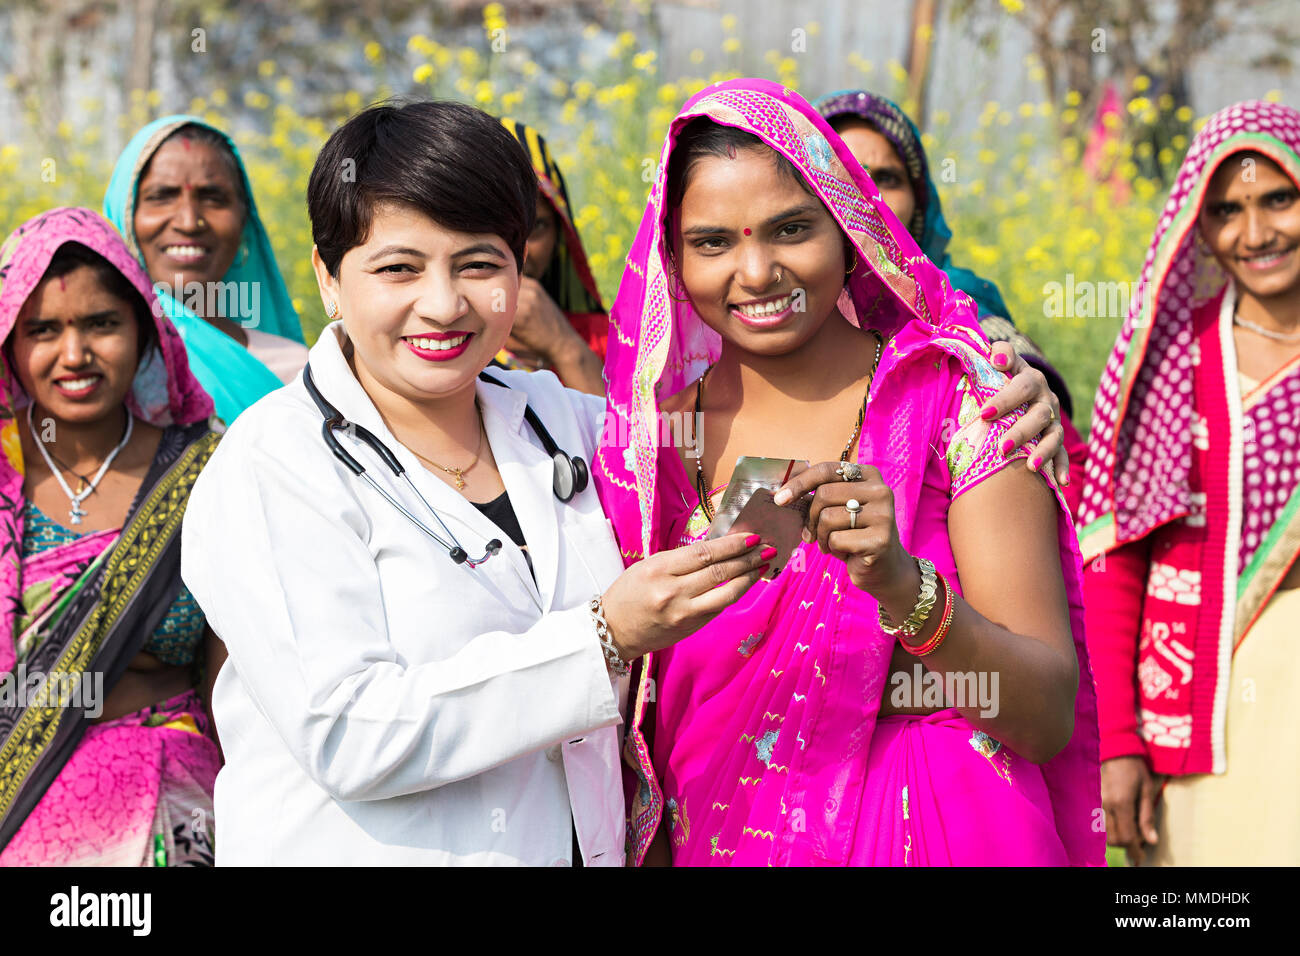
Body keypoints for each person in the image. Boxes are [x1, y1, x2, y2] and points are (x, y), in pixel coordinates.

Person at [179, 100, 773, 866]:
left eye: (479, 264)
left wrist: (963, 401)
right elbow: (348, 733)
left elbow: (751, 448)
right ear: (329, 279)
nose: (444, 304)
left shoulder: (568, 422)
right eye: (399, 267)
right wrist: (603, 637)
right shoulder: (272, 463)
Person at [595, 79, 1102, 866]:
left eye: (792, 228)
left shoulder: (955, 402)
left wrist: (903, 587)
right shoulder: (645, 453)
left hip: (940, 831)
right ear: (670, 254)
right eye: (714, 242)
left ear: (848, 227)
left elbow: (1040, 714)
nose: (757, 272)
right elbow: (639, 735)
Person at [1079, 100, 1300, 866]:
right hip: (1196, 721)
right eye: (1227, 211)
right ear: (1197, 226)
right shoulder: (1170, 357)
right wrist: (1116, 746)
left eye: (1279, 198)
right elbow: (1114, 554)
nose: (1256, 233)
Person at [0, 207, 223, 866]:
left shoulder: (206, 470)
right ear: (9, 343)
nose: (75, 355)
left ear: (146, 332)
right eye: (43, 330)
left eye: (102, 324)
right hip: (20, 815)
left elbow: (237, 680)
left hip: (180, 811)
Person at [814, 89, 1086, 511]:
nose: (867, 192)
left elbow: (1064, 459)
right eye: (845, 172)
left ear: (919, 203)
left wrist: (1034, 405)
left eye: (886, 178)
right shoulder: (761, 310)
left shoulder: (964, 306)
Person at [105, 115, 308, 423]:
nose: (188, 222)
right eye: (161, 197)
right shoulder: (99, 362)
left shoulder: (298, 373)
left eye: (213, 198)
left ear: (244, 222)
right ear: (123, 217)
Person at [492, 117, 607, 395]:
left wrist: (564, 347)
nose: (519, 251)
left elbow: (626, 436)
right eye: (495, 228)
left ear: (561, 233)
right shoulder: (433, 336)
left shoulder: (603, 339)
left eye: (538, 227)